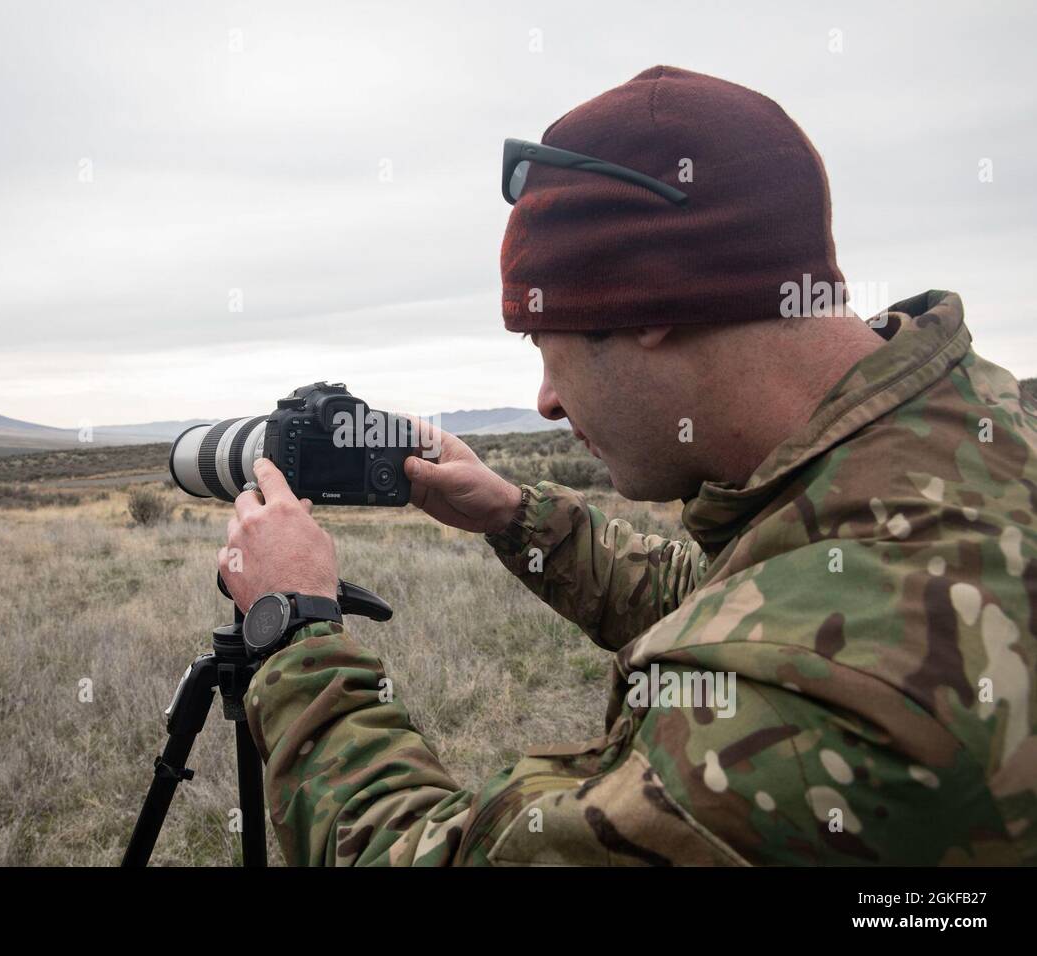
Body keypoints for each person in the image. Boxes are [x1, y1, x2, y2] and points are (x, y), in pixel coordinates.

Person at [217, 66, 1037, 865]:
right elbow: (748, 601)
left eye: (548, 346)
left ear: (646, 307)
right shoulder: (963, 435)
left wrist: (294, 634)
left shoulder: (801, 712)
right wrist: (515, 515)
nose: (545, 399)